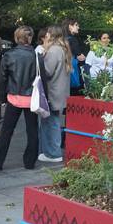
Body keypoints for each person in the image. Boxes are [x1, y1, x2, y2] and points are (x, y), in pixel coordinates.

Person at [0, 26, 40, 171]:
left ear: (16, 38)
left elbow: (3, 78)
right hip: (31, 98)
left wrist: (1, 97)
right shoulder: (37, 55)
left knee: (6, 132)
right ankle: (30, 162)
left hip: (14, 97)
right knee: (32, 131)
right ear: (30, 38)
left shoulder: (9, 55)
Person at [38, 24, 72, 164]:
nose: (46, 35)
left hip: (52, 92)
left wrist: (41, 56)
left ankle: (53, 153)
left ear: (52, 35)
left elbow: (46, 71)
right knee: (53, 121)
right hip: (61, 91)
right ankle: (52, 151)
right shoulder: (64, 49)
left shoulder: (54, 51)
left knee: (50, 122)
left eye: (48, 33)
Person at [66, 18, 89, 90]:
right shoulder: (72, 39)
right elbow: (80, 56)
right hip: (74, 69)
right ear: (70, 26)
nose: (78, 27)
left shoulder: (62, 38)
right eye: (76, 25)